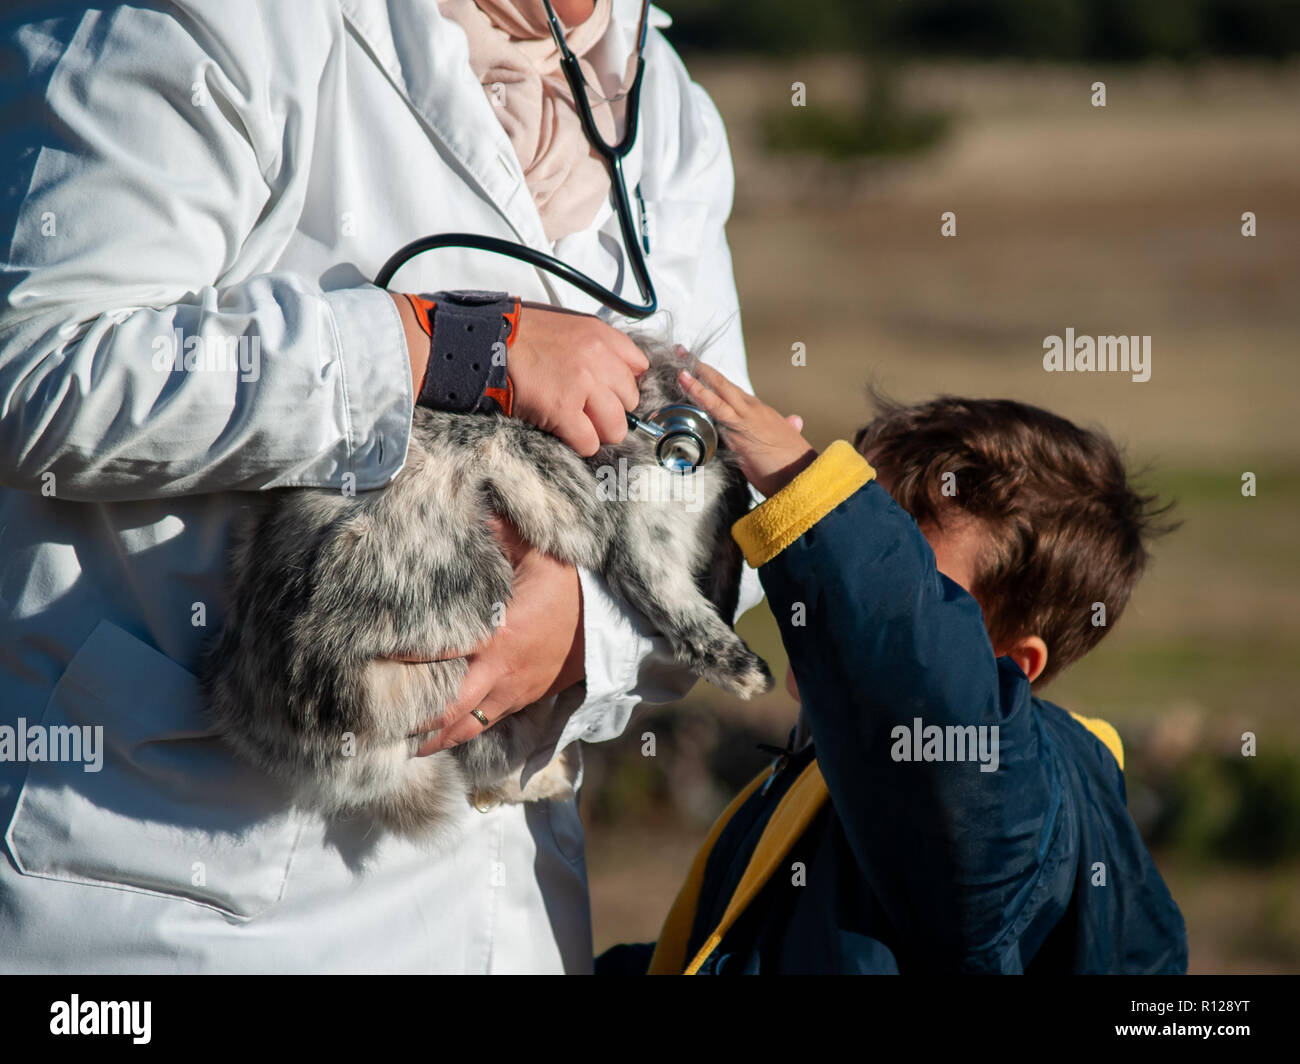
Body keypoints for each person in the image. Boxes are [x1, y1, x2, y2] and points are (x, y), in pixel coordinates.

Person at [0, 0, 757, 973]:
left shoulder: (660, 99)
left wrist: (581, 625)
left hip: (504, 900)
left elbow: (715, 477)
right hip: (173, 898)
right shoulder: (210, 20)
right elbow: (46, 369)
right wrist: (456, 348)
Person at [607, 361, 1188, 974]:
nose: (837, 590)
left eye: (906, 577)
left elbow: (926, 695)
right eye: (873, 528)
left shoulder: (1018, 808)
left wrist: (809, 493)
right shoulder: (824, 777)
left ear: (1011, 663)